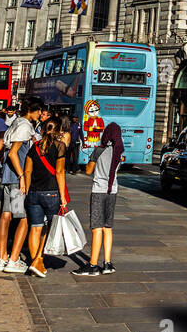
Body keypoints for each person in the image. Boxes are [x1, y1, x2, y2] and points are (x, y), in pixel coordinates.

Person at [0, 99, 46, 273]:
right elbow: (13, 153)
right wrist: (22, 176)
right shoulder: (24, 126)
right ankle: (14, 259)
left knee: (6, 215)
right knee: (23, 218)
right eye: (39, 111)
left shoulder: (17, 122)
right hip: (18, 180)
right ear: (33, 110)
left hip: (8, 177)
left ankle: (2, 258)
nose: (40, 114)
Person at [76, 115, 125, 276]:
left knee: (96, 228)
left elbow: (89, 170)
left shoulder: (99, 150)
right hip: (113, 191)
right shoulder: (119, 152)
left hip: (99, 191)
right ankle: (108, 263)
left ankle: (92, 265)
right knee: (107, 228)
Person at [23, 116, 70, 278]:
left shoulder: (34, 147)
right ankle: (38, 260)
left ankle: (34, 262)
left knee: (35, 228)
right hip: (52, 192)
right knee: (50, 229)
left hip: (34, 193)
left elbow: (27, 171)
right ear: (57, 131)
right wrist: (63, 196)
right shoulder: (60, 146)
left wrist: (29, 189)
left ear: (42, 130)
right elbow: (59, 172)